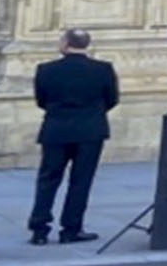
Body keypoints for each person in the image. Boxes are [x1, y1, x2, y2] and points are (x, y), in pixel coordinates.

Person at [27, 28, 119, 246]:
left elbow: (41, 99)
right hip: (90, 130)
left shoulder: (46, 69)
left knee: (48, 179)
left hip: (56, 129)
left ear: (66, 43)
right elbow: (112, 99)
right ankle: (71, 228)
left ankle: (39, 229)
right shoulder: (103, 69)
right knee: (81, 181)